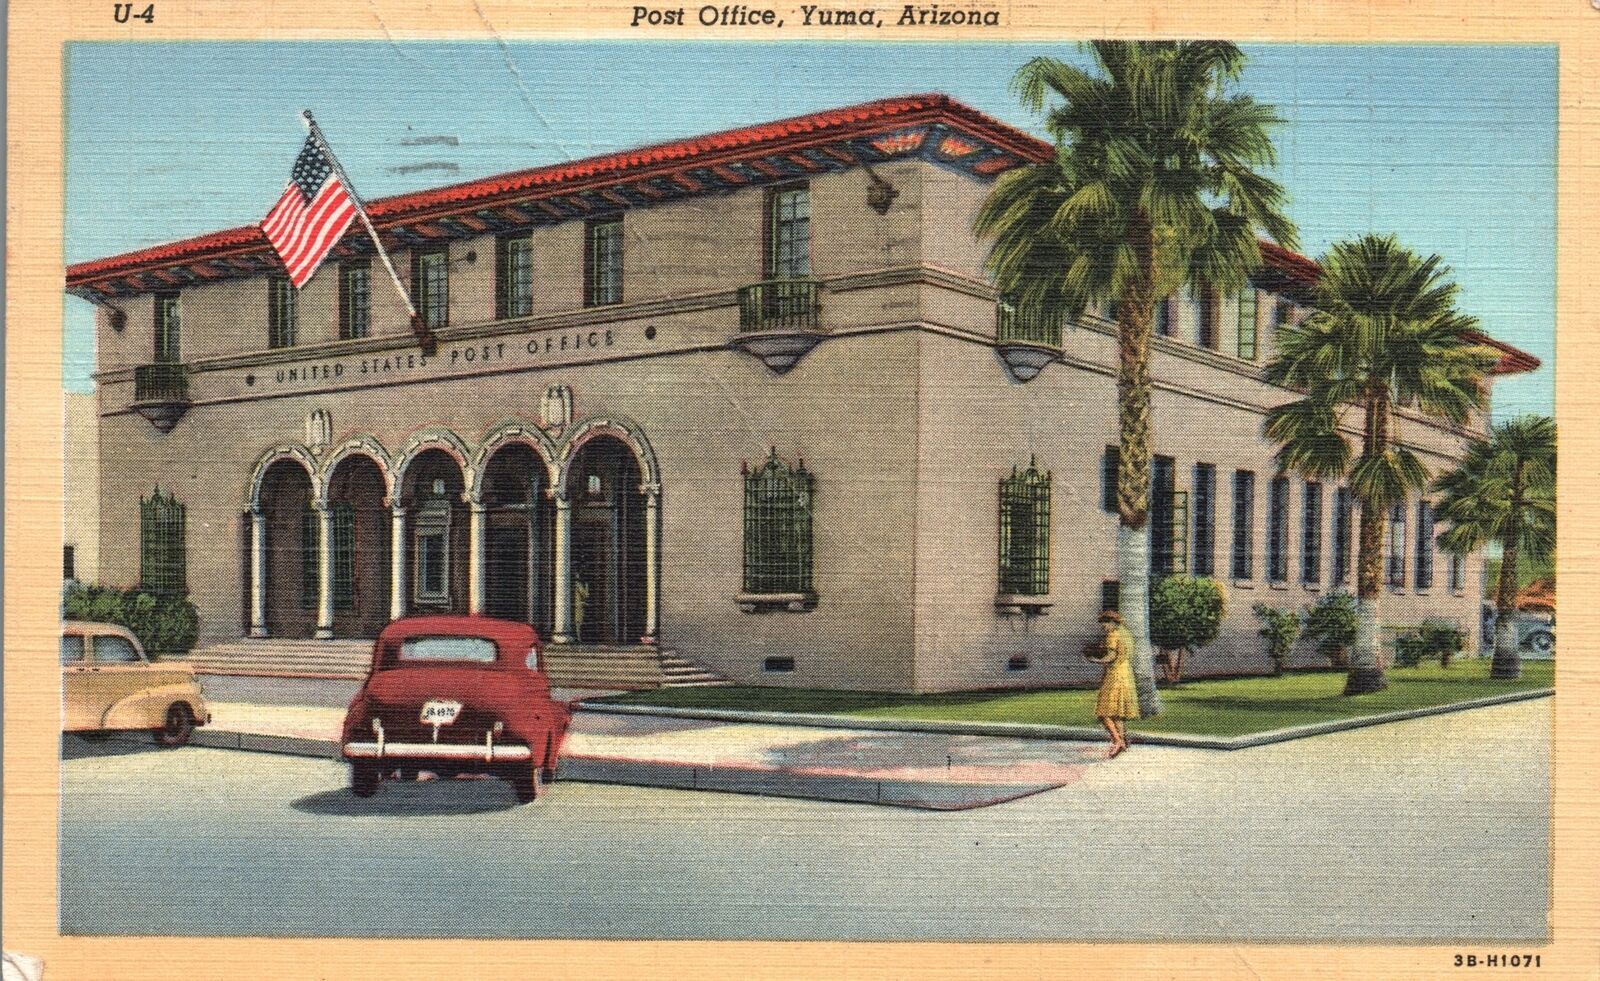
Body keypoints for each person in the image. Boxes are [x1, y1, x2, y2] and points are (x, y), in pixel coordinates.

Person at [1085, 609, 1138, 757]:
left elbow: (1110, 656)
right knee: (1117, 713)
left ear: (1113, 622)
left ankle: (1117, 741)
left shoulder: (1113, 635)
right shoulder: (1126, 634)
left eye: (1105, 624)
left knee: (1104, 712)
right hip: (1126, 674)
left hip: (1114, 675)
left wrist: (1095, 660)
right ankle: (1123, 742)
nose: (1104, 628)